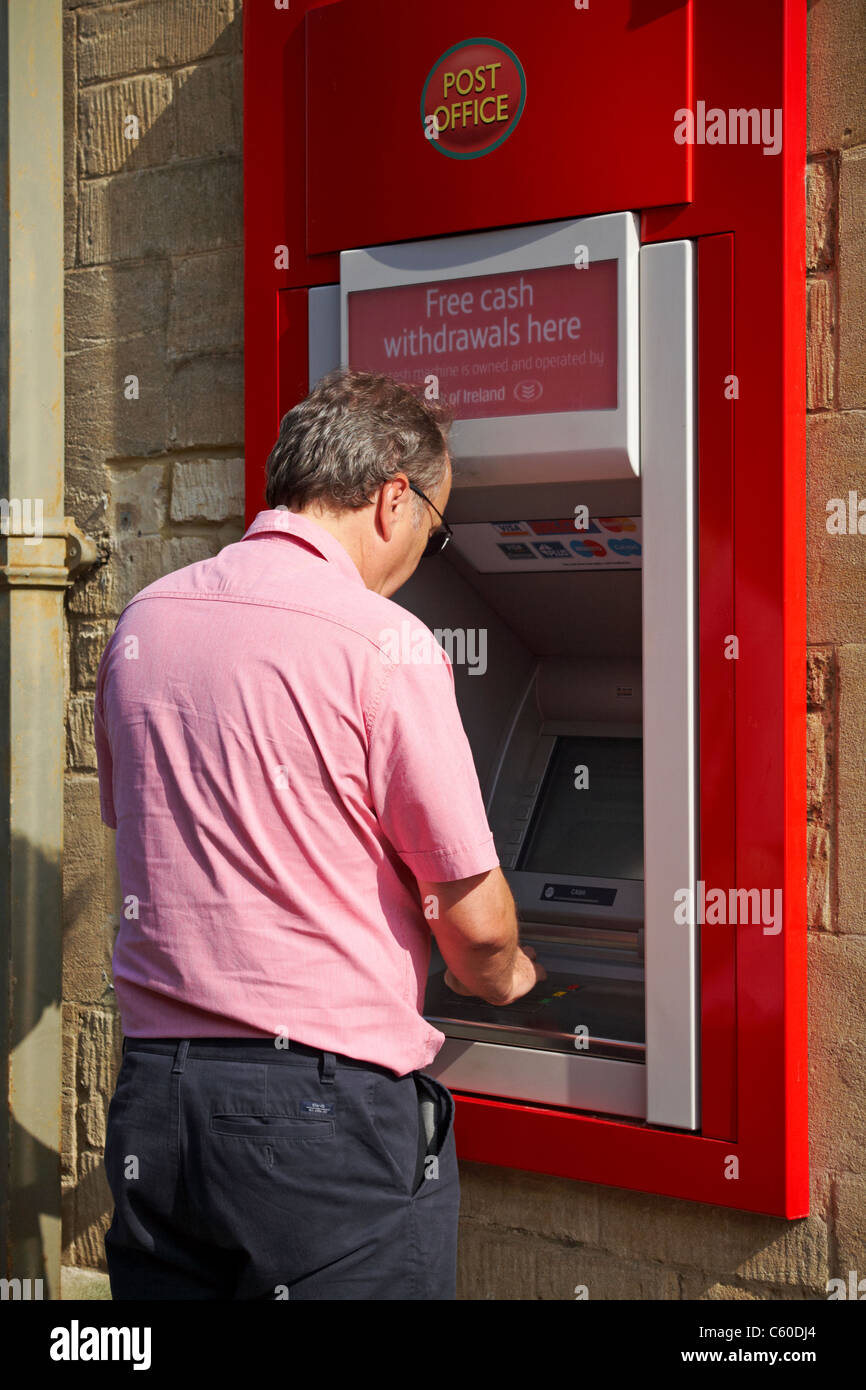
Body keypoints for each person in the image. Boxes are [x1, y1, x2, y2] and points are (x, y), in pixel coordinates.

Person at [94, 366, 544, 1300]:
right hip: (317, 1120)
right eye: (436, 524)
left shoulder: (147, 620)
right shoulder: (384, 643)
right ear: (393, 500)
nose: (427, 548)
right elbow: (479, 923)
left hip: (157, 1102)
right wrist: (512, 979)